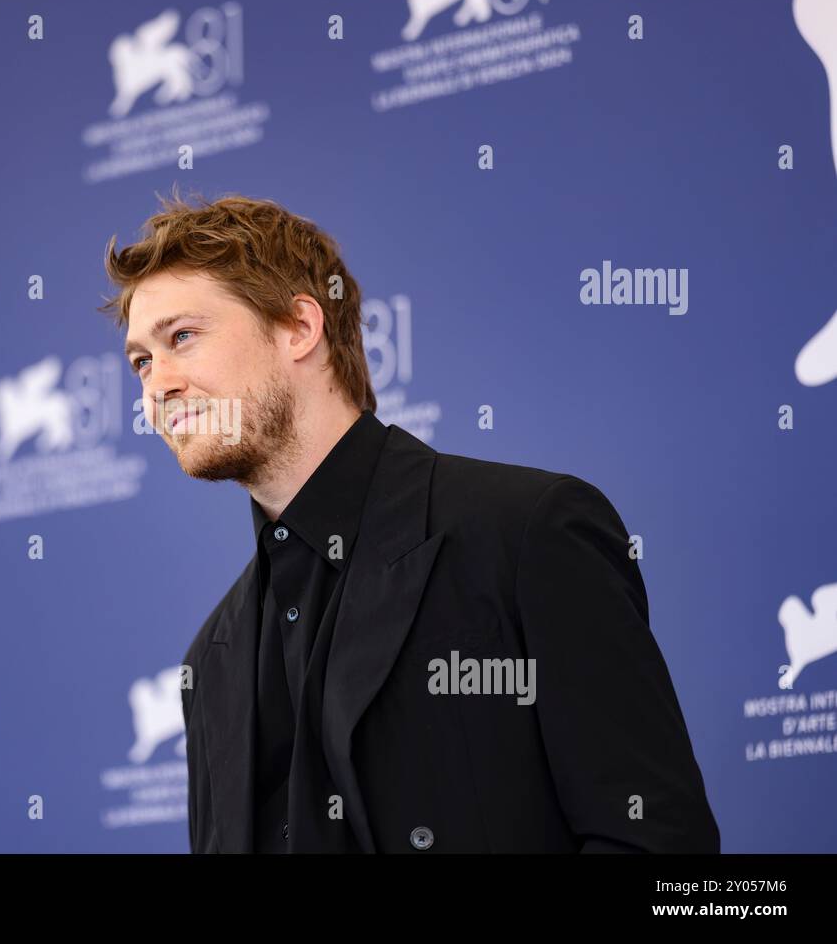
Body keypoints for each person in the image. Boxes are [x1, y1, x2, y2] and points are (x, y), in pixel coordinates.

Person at [99, 187, 720, 853]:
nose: (154, 385)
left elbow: (658, 846)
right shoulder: (211, 659)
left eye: (182, 337)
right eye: (141, 360)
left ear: (299, 329)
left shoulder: (526, 534)